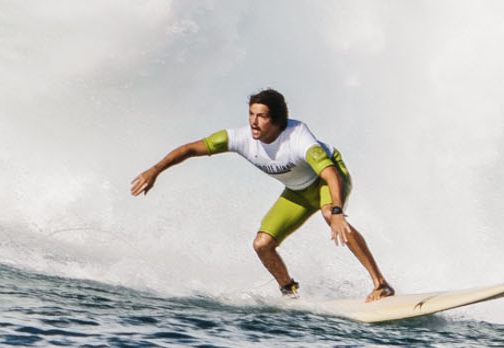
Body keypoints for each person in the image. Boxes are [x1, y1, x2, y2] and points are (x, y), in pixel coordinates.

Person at [130, 88, 394, 300]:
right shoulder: (241, 138)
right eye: (251, 114)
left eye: (262, 116)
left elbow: (329, 173)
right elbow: (190, 149)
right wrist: (155, 170)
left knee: (329, 215)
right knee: (262, 244)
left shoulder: (298, 137)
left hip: (330, 178)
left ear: (277, 121)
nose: (253, 122)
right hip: (299, 191)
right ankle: (289, 291)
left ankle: (380, 284)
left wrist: (336, 211)